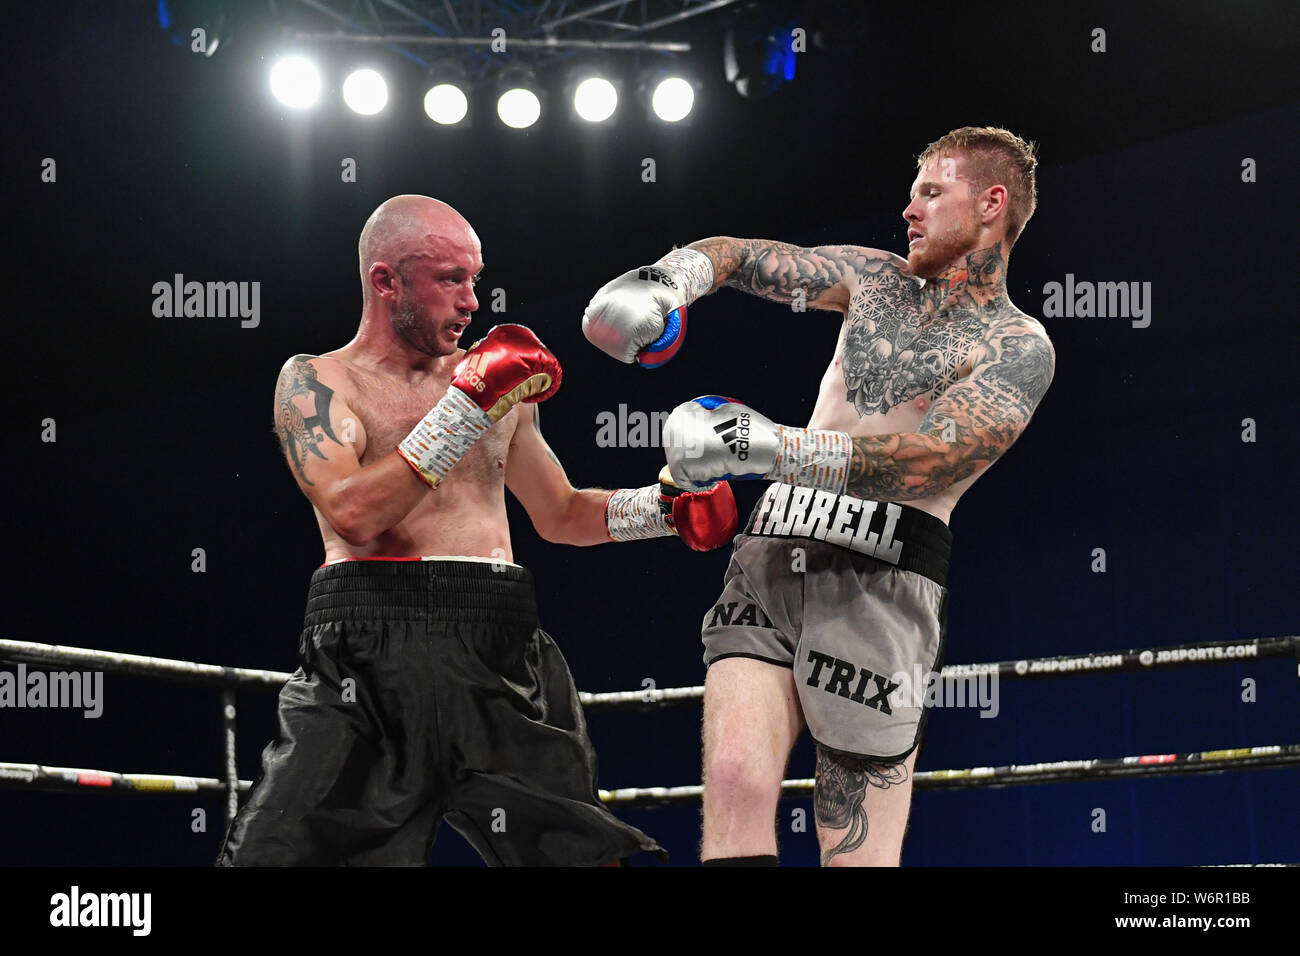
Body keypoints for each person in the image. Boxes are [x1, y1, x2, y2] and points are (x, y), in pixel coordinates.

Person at [581, 127, 1056, 866]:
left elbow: (935, 460)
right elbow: (741, 254)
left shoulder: (1016, 345)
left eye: (932, 192)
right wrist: (672, 278)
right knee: (735, 783)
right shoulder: (872, 279)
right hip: (774, 549)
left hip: (881, 577)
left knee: (853, 849)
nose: (909, 209)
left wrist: (771, 446)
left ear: (993, 204)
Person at [217, 194, 736, 866]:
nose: (471, 301)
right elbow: (352, 514)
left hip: (499, 645)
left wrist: (664, 510)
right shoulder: (318, 381)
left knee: (584, 858)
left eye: (476, 280)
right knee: (273, 859)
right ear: (386, 281)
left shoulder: (494, 388)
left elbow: (561, 514)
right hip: (365, 658)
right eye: (450, 280)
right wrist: (468, 406)